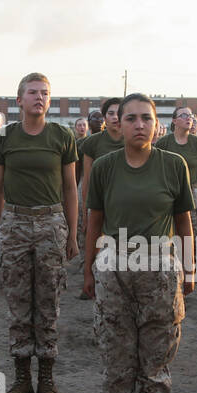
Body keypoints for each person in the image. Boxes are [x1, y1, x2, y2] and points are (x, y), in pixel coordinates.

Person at [84, 94, 194, 393]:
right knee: (117, 359)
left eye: (146, 118)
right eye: (130, 118)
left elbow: (183, 221)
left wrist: (191, 268)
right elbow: (94, 222)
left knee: (155, 360)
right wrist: (88, 272)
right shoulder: (104, 167)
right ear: (118, 123)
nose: (138, 125)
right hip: (114, 266)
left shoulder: (173, 165)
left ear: (156, 123)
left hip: (159, 269)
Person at [0, 73, 79, 393]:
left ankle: (48, 380)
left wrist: (72, 232)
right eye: (32, 92)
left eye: (44, 93)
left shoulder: (62, 136)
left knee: (48, 302)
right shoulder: (4, 136)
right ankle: (22, 378)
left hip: (50, 223)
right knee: (18, 303)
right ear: (19, 100)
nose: (39, 98)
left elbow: (70, 187)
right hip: (14, 223)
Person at [76, 97, 124, 299]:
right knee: (94, 243)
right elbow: (86, 180)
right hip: (99, 203)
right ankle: (91, 281)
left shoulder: (131, 140)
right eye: (110, 113)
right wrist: (86, 212)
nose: (115, 117)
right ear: (104, 117)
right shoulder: (92, 143)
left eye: (119, 113)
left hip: (124, 204)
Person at [154, 105, 197, 243]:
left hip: (192, 192)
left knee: (191, 235)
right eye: (184, 115)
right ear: (174, 121)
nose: (189, 118)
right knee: (168, 234)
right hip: (168, 193)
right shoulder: (163, 143)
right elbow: (156, 172)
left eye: (190, 115)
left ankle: (191, 263)